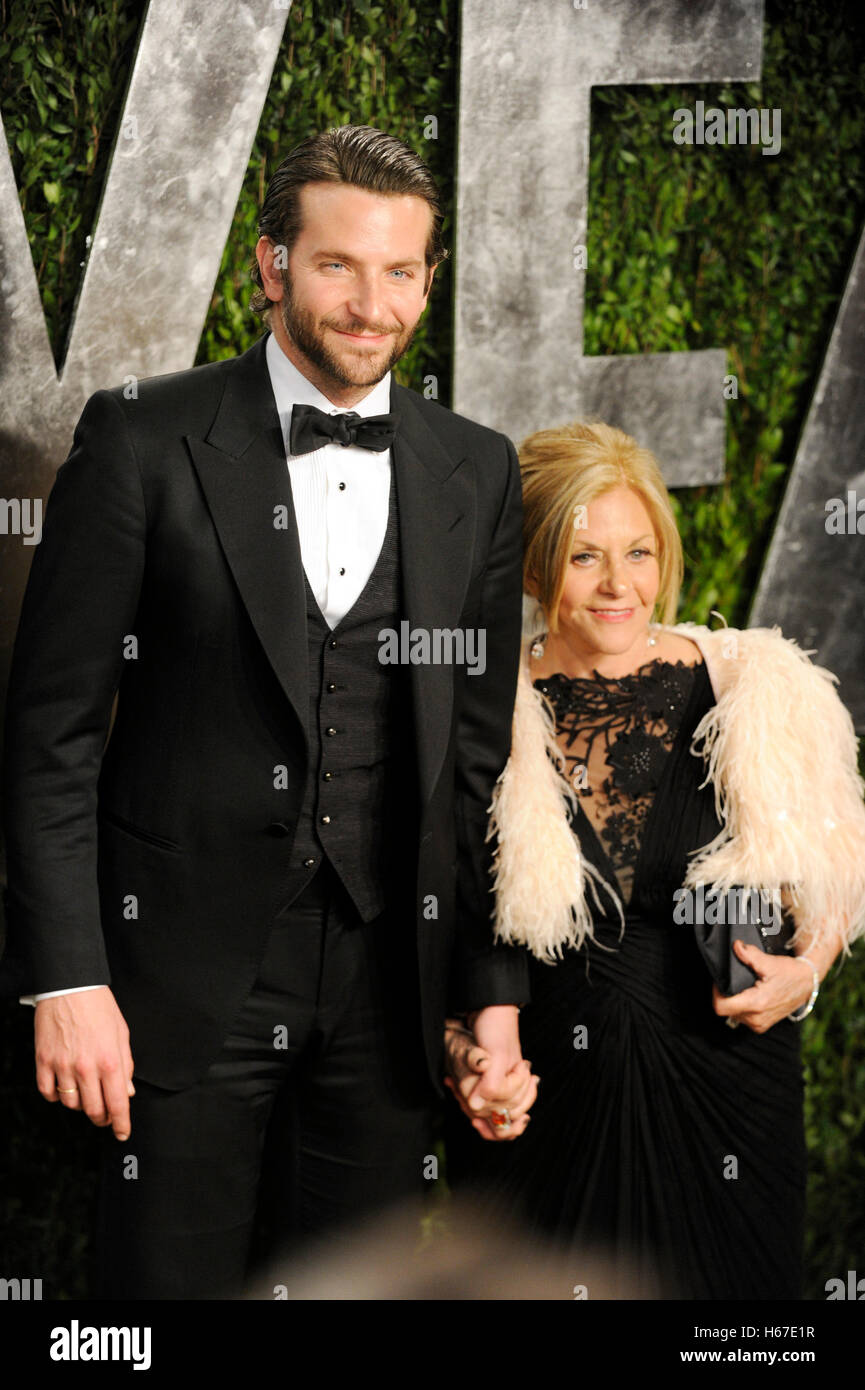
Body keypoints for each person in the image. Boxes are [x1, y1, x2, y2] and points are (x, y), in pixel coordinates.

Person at [0, 124, 537, 1300]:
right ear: (270, 265)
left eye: (402, 272)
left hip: (388, 994)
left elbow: (478, 769)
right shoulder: (140, 437)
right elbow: (49, 738)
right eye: (338, 264)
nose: (371, 303)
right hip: (178, 985)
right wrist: (66, 979)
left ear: (430, 280)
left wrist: (485, 997)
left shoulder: (479, 469)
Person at [444, 419, 865, 1299]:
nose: (617, 586)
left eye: (638, 553)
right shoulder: (477, 714)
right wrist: (465, 1054)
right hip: (548, 1103)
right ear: (531, 565)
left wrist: (808, 971)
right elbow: (440, 930)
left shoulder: (753, 689)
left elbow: (835, 869)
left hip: (731, 1095)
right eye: (583, 555)